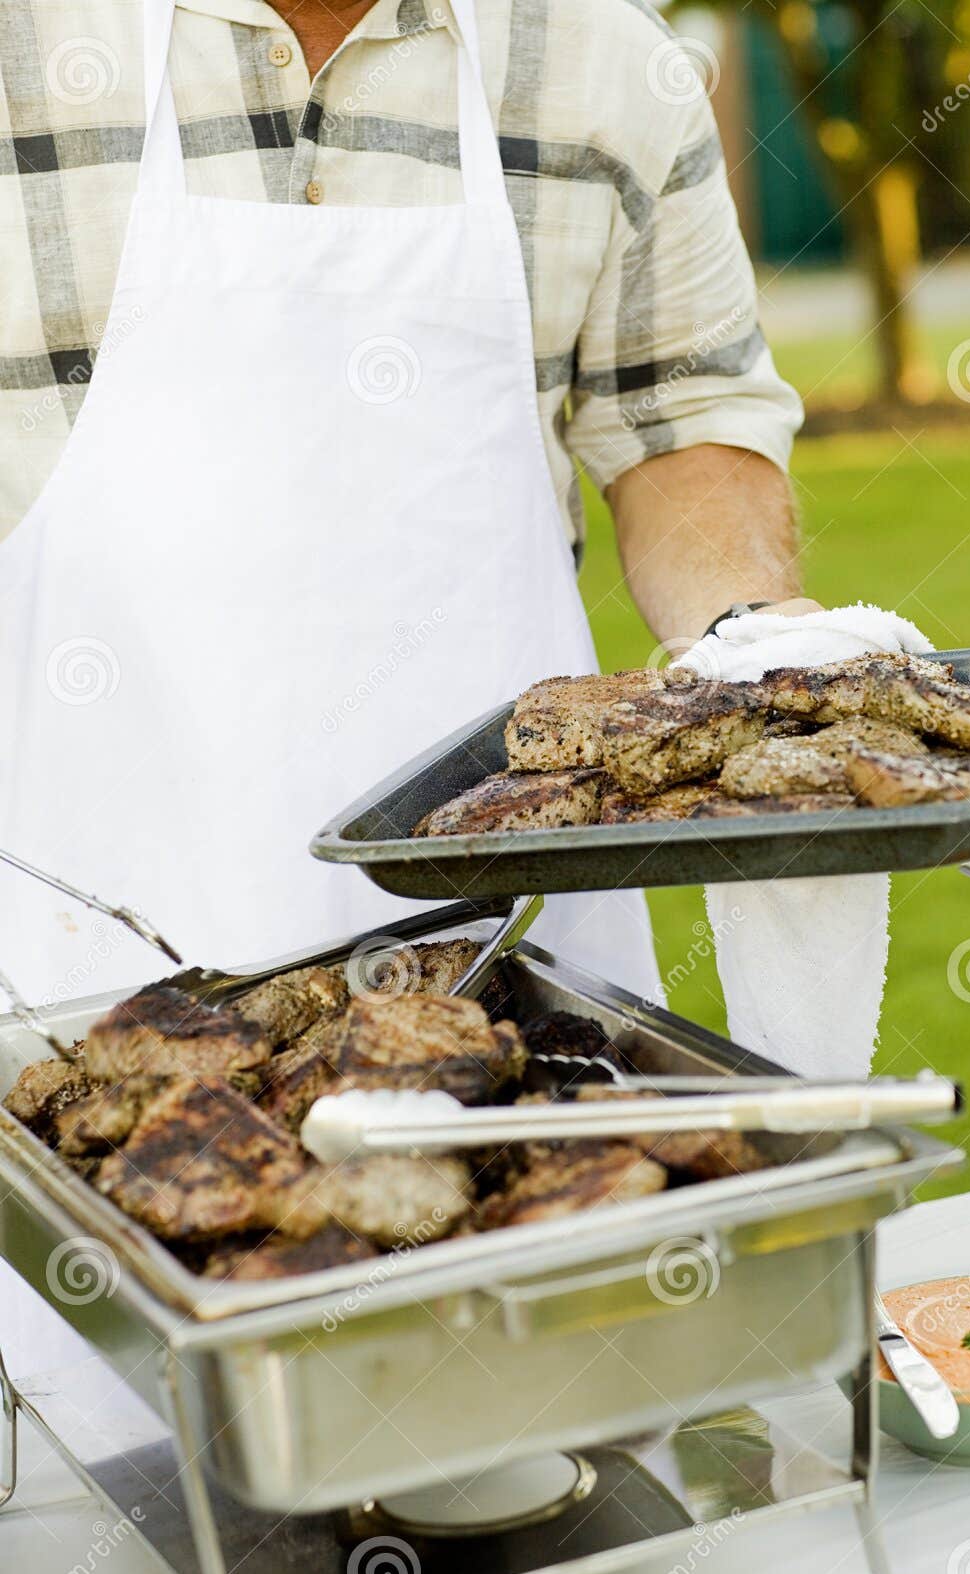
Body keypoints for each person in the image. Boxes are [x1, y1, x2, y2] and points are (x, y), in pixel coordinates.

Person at [0, 0, 804, 1006]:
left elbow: (677, 425)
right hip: (77, 957)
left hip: (503, 960)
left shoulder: (607, 58)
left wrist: (759, 645)